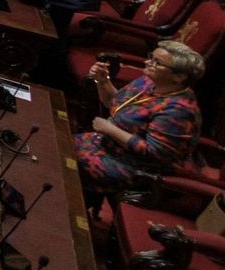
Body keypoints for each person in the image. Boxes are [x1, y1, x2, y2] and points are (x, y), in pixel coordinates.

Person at [77, 41, 204, 209]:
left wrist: (110, 129)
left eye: (157, 63)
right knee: (60, 141)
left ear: (179, 76)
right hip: (108, 146)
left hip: (137, 167)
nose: (147, 62)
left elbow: (154, 152)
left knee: (72, 161)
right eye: (151, 57)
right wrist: (102, 81)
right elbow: (115, 105)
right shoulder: (148, 82)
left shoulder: (178, 111)